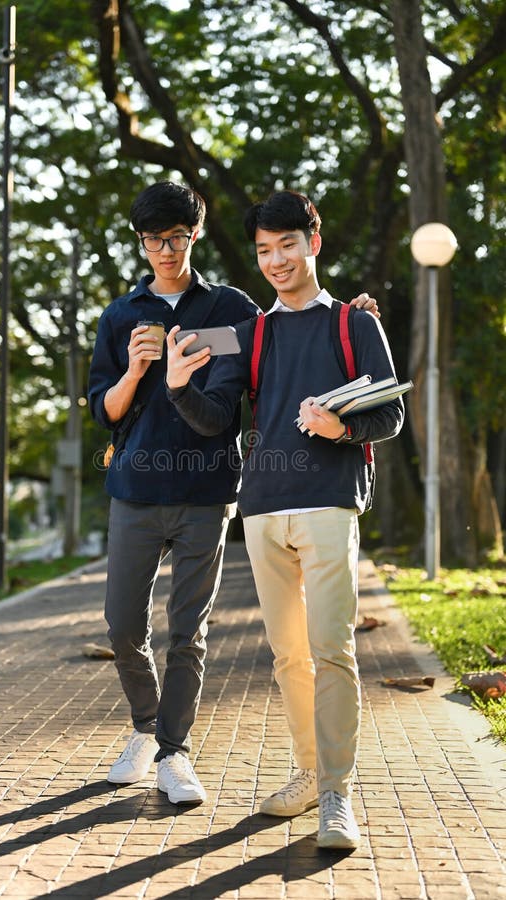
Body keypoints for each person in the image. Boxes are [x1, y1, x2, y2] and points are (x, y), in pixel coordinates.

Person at [88, 181, 378, 807]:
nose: (165, 250)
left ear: (193, 235)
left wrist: (354, 315)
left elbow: (272, 347)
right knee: (123, 627)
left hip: (211, 492)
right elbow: (106, 412)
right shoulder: (120, 316)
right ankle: (146, 728)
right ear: (140, 244)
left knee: (192, 633)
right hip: (143, 489)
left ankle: (174, 750)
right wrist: (140, 371)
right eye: (152, 240)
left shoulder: (229, 311)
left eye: (175, 237)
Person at [165, 189, 404, 846]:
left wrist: (339, 426)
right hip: (263, 512)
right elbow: (215, 413)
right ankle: (305, 773)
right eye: (264, 251)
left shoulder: (357, 325)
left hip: (328, 506)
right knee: (288, 657)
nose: (276, 260)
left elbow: (389, 415)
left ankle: (336, 795)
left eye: (287, 245)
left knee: (331, 651)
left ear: (313, 243)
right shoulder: (250, 334)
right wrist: (181, 383)